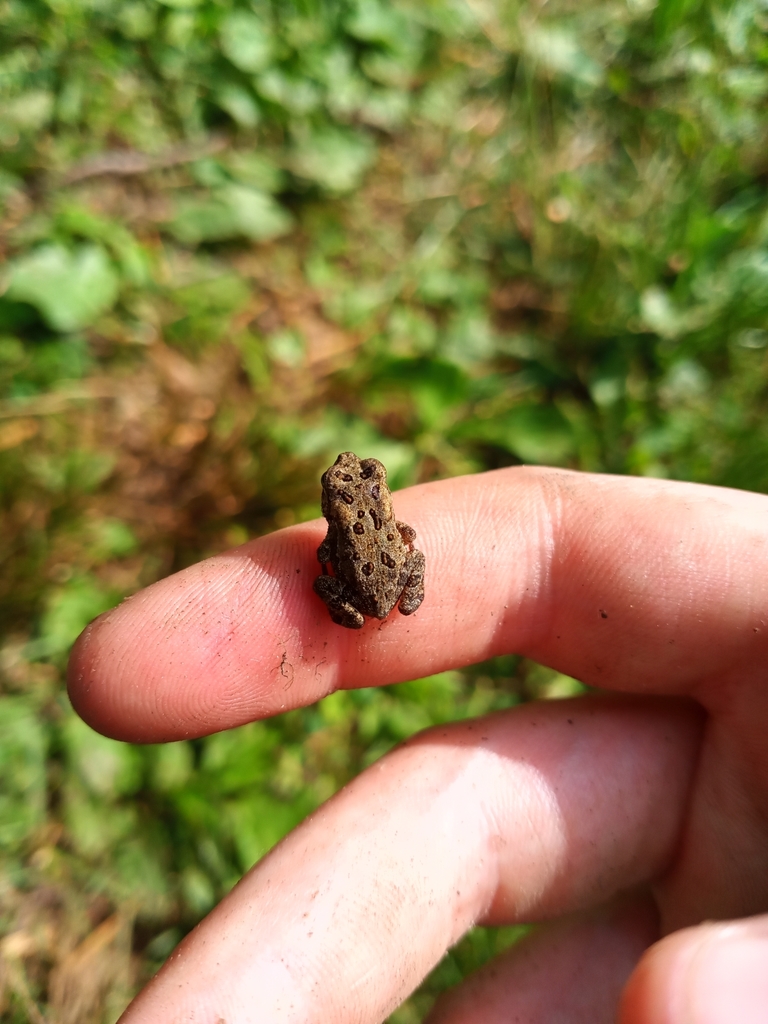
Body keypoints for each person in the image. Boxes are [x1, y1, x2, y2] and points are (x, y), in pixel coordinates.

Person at [67, 466, 768, 1023]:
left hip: (361, 597)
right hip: (392, 588)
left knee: (335, 588)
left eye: (359, 478)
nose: (353, 483)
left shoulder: (337, 534)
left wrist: (338, 571)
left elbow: (332, 558)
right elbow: (399, 536)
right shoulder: (379, 519)